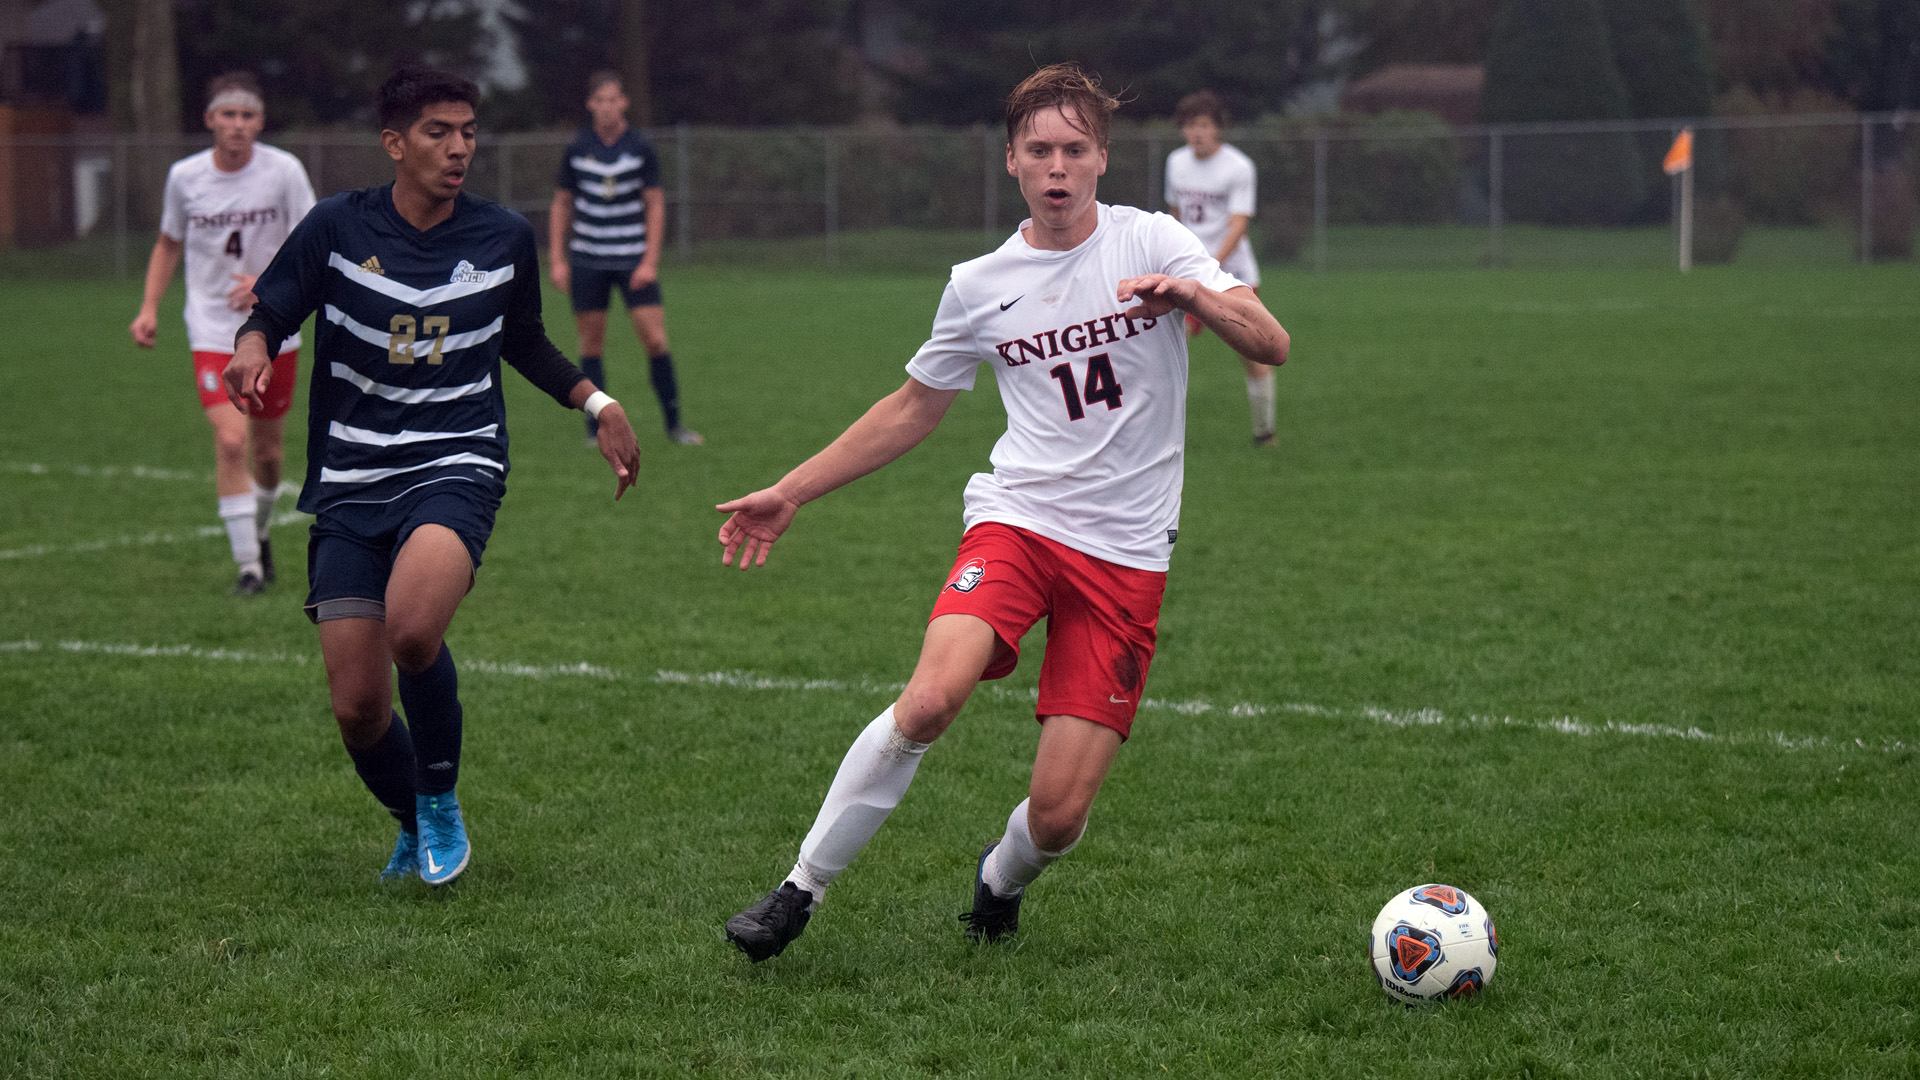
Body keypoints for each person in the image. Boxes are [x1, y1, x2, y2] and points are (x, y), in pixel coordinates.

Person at [716, 63, 1288, 961]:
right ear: (1012, 162)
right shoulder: (979, 283)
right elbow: (913, 407)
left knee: (1058, 819)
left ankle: (999, 878)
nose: (1057, 168)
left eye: (1073, 149)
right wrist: (791, 490)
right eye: (1038, 151)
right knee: (931, 699)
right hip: (1017, 521)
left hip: (1128, 553)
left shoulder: (1154, 240)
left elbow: (1273, 342)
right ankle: (799, 890)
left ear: (1101, 158)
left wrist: (1196, 298)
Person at [223, 67, 641, 887]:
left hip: (457, 459)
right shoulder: (337, 227)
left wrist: (598, 403)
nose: (459, 149)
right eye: (438, 133)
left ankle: (439, 797)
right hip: (349, 476)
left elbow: (521, 339)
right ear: (394, 143)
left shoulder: (501, 236)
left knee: (413, 629)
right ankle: (411, 820)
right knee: (357, 708)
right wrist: (250, 348)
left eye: (468, 132)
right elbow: (272, 307)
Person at [129, 71, 316, 593]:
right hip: (212, 327)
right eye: (227, 115)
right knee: (231, 441)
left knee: (269, 454)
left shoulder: (284, 172)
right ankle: (249, 567)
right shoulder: (185, 177)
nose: (237, 125)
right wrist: (149, 308)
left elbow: (312, 244)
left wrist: (266, 283)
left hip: (275, 326)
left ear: (260, 122)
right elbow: (169, 242)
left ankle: (258, 533)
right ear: (210, 120)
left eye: (247, 115)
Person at [548, 70, 702, 446]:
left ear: (623, 102)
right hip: (587, 258)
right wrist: (557, 258)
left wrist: (650, 260)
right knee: (590, 345)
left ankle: (674, 426)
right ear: (590, 104)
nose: (606, 107)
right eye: (599, 100)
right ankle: (595, 430)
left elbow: (655, 204)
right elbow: (562, 204)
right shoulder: (577, 147)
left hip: (633, 257)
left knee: (654, 339)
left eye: (612, 99)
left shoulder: (640, 146)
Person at [1164, 90, 1276, 447]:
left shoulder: (1238, 167)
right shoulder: (1176, 162)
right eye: (1190, 125)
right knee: (1161, 347)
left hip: (1232, 274)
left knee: (1252, 349)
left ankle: (1265, 432)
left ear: (1218, 129)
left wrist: (1209, 265)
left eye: (1204, 125)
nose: (1196, 132)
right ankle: (1156, 434)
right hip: (1185, 271)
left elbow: (1238, 225)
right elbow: (1174, 217)